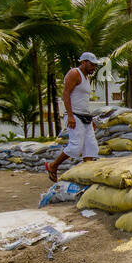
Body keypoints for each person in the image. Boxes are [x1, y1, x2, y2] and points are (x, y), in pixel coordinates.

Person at [45, 51, 100, 182]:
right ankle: (53, 166)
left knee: (91, 146)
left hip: (84, 117)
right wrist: (70, 115)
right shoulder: (74, 73)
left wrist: (90, 118)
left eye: (95, 66)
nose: (93, 68)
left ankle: (87, 173)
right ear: (83, 62)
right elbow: (66, 94)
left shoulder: (87, 78)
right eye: (91, 65)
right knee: (76, 146)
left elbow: (83, 100)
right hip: (75, 116)